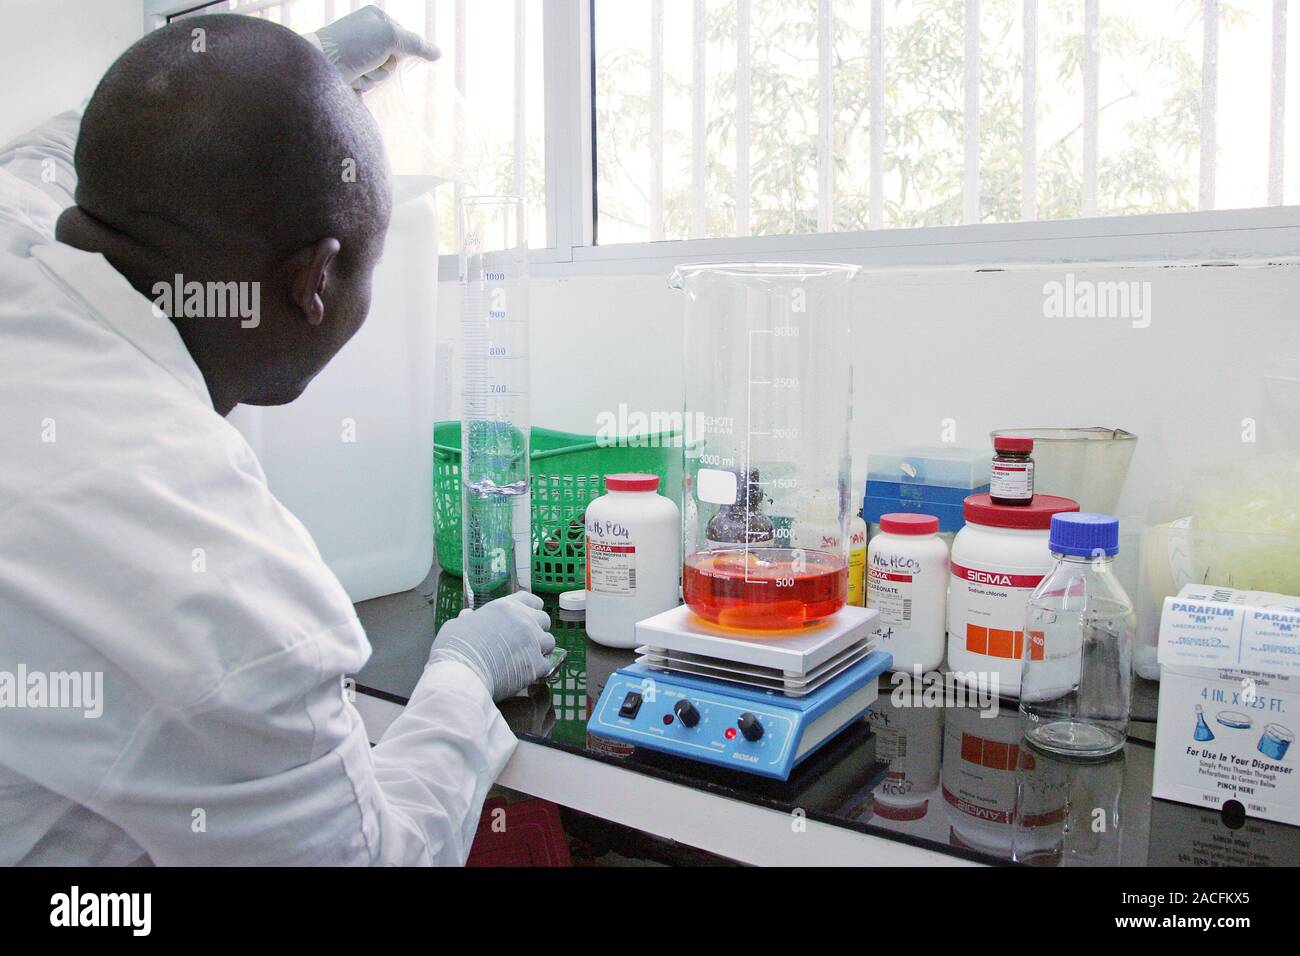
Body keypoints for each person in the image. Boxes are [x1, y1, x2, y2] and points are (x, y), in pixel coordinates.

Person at [0, 6, 554, 865]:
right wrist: (463, 678)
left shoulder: (19, 226)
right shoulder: (221, 584)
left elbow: (55, 151)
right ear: (313, 283)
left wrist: (311, 68)